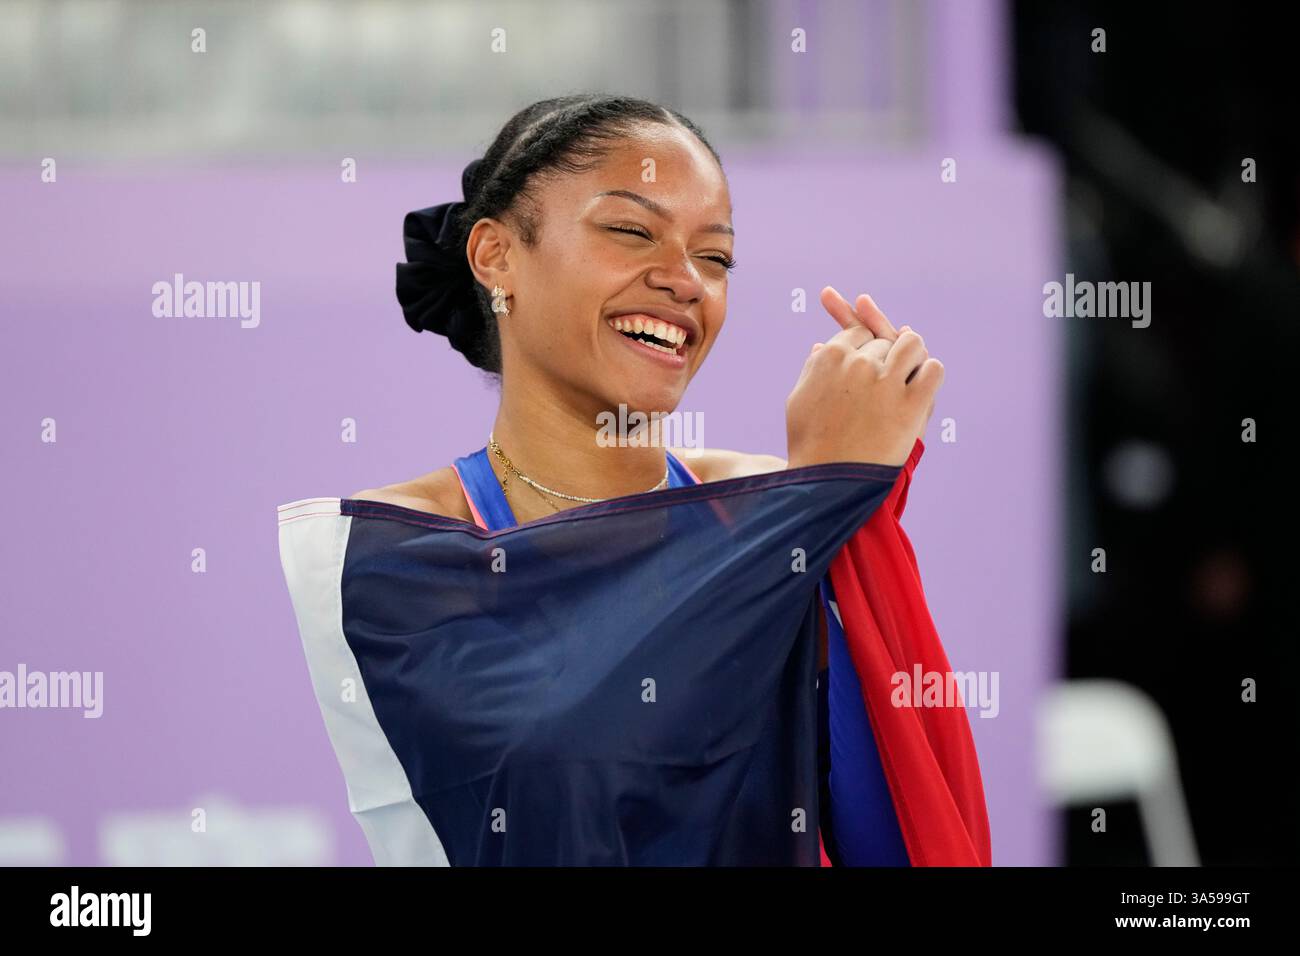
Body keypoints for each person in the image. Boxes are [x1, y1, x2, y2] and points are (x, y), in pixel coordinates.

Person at [279, 93, 988, 866]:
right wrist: (813, 498)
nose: (685, 281)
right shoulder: (397, 549)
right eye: (630, 231)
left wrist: (826, 501)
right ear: (496, 257)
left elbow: (896, 824)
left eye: (714, 257)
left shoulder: (767, 513)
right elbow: (567, 772)